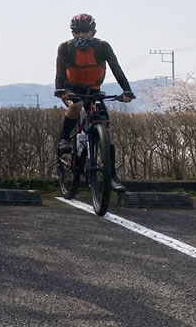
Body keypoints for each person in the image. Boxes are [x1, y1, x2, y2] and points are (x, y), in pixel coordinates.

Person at [54, 13, 135, 192]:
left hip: (94, 91)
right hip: (71, 90)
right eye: (77, 32)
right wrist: (60, 89)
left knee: (104, 129)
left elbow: (116, 68)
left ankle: (111, 175)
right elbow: (60, 72)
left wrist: (127, 90)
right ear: (72, 33)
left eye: (85, 31)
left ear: (93, 31)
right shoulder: (65, 48)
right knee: (76, 106)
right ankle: (65, 139)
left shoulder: (102, 47)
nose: (81, 35)